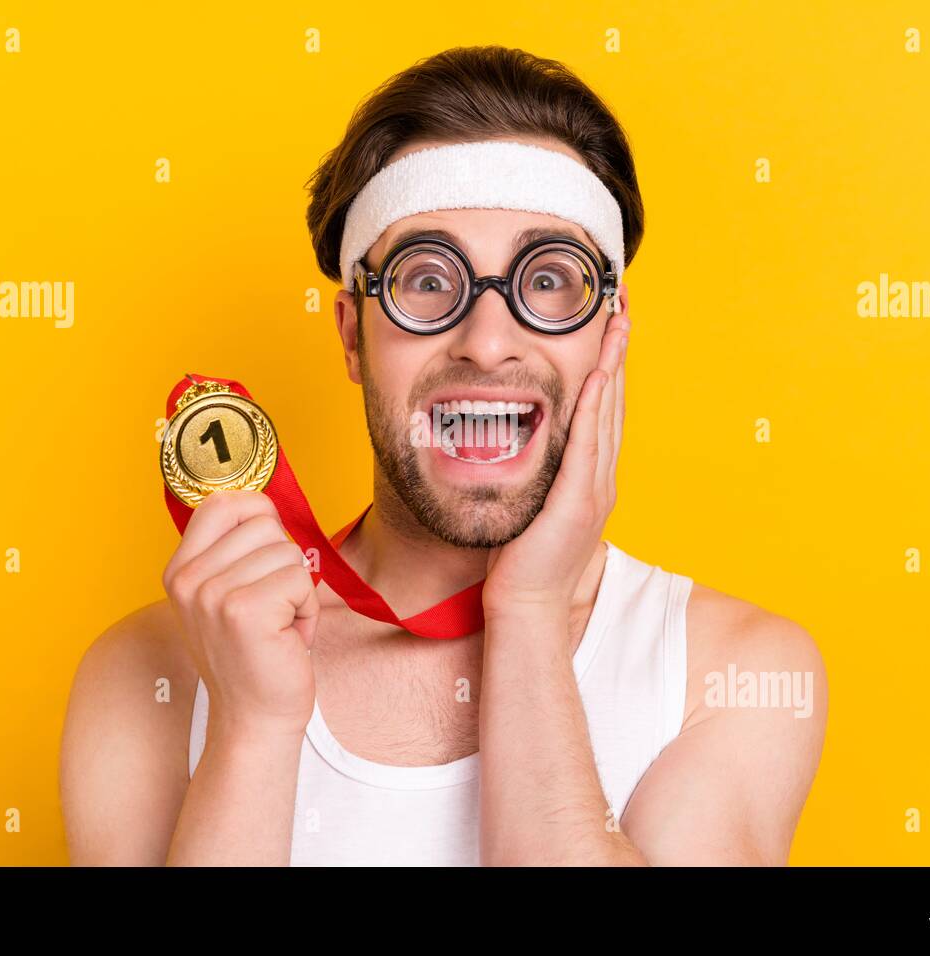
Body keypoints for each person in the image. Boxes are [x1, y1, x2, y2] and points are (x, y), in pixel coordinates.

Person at [60, 45, 827, 866]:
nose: (488, 342)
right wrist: (253, 731)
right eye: (428, 281)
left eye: (547, 281)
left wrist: (529, 613)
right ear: (353, 332)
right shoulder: (154, 672)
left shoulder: (729, 672)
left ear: (611, 329)